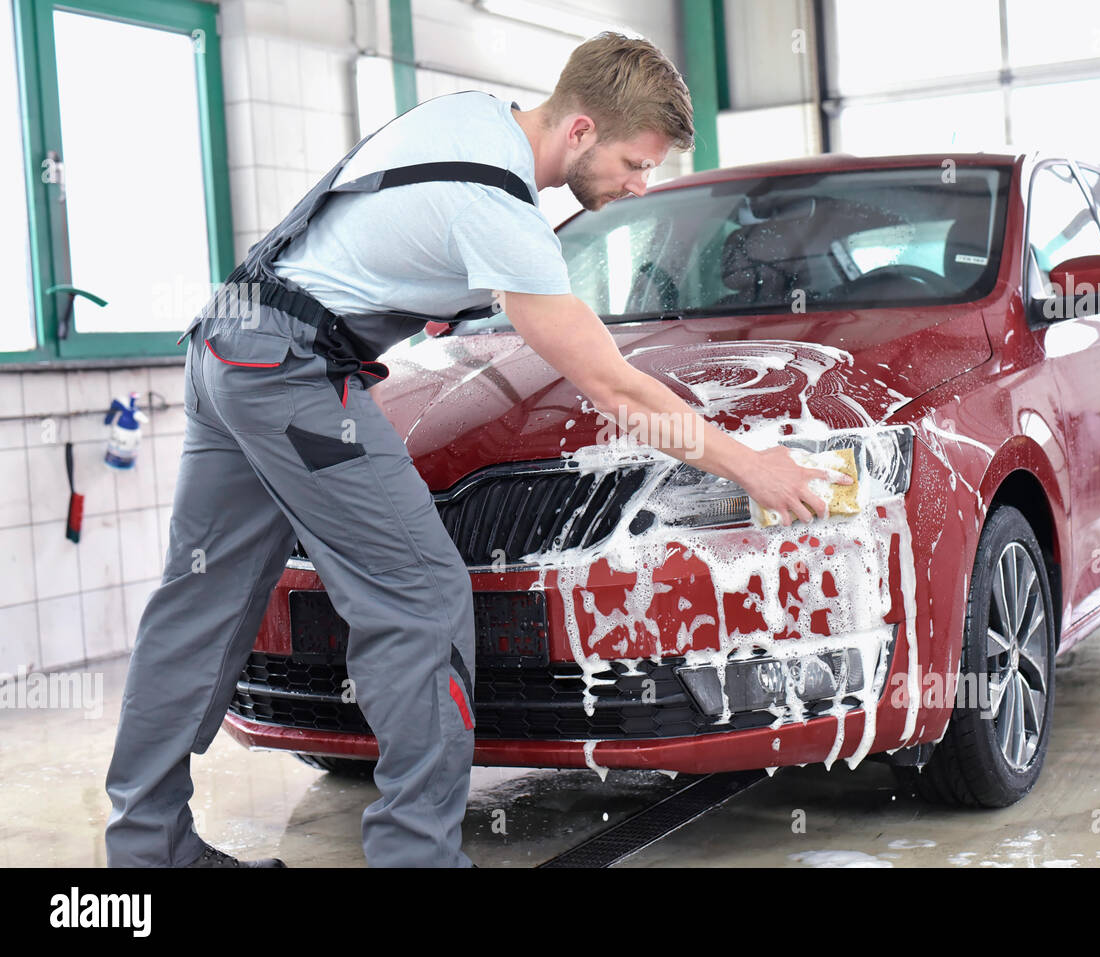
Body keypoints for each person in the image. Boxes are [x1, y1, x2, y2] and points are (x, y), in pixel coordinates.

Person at [104, 31, 848, 868]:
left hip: (226, 349)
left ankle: (147, 848)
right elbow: (619, 390)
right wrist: (753, 464)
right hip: (290, 377)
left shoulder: (466, 120)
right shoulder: (498, 203)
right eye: (636, 165)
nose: (639, 185)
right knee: (420, 592)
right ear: (579, 132)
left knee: (195, 605)